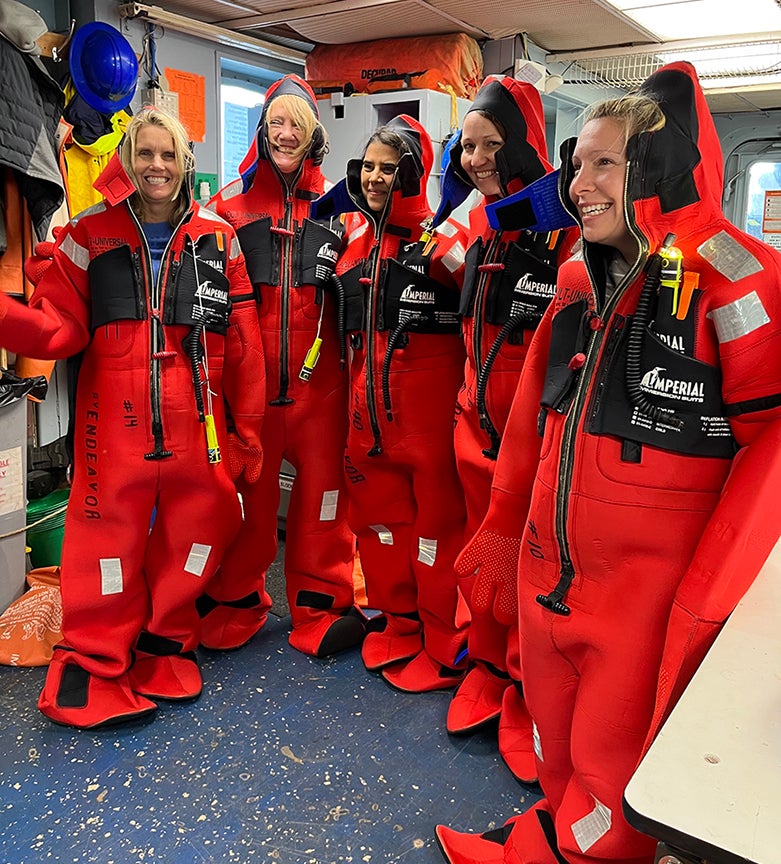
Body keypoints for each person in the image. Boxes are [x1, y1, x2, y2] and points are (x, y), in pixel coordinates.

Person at [435, 60, 781, 864]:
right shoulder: (571, 278)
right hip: (548, 570)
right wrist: (497, 525)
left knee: (610, 761)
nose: (578, 182)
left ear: (652, 168)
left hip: (644, 593)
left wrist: (710, 604)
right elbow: (530, 417)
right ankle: (555, 838)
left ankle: (589, 854)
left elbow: (770, 452)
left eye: (602, 163)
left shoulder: (737, 279)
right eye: (574, 161)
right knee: (555, 740)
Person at [0, 106, 265, 729]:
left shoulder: (217, 237)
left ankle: (166, 639)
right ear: (127, 160)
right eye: (145, 154)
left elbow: (245, 340)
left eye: (167, 155)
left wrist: (246, 429)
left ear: (185, 162)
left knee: (202, 527)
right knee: (104, 544)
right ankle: (91, 665)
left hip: (197, 426)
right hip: (111, 426)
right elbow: (60, 329)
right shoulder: (89, 233)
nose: (156, 166)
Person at [437, 76, 576, 780]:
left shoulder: (566, 231)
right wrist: (445, 211)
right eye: (467, 147)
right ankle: (486, 664)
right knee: (476, 560)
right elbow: (436, 264)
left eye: (490, 144)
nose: (477, 158)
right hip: (471, 425)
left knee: (525, 569)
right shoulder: (473, 222)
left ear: (522, 146)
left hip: (535, 441)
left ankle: (524, 683)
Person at [199, 74, 366, 658]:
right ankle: (235, 599)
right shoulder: (225, 209)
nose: (286, 134)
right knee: (249, 505)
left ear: (314, 131)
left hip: (320, 396)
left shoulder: (343, 213)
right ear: (263, 131)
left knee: (325, 503)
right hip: (249, 397)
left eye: (297, 123)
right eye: (276, 123)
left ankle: (323, 603)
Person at [312, 115, 469, 692]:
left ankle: (445, 641)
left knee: (435, 536)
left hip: (426, 427)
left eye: (390, 167)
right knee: (378, 532)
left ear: (415, 172)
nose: (377, 177)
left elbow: (482, 324)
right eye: (370, 166)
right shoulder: (352, 240)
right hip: (366, 422)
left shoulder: (446, 241)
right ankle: (399, 624)